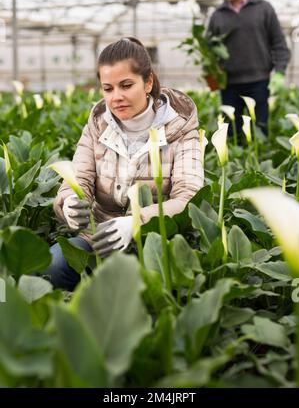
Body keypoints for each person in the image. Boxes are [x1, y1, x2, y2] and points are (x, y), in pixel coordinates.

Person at [45, 37, 204, 291]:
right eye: (108, 88)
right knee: (54, 267)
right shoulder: (97, 126)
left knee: (156, 288)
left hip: (156, 241)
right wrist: (70, 204)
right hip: (99, 236)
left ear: (148, 82)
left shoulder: (181, 129)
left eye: (126, 85)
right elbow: (79, 178)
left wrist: (137, 221)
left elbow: (189, 197)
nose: (116, 97)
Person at [208, 0, 290, 136]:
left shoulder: (264, 9)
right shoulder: (218, 14)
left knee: (260, 130)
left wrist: (280, 72)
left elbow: (279, 43)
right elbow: (209, 49)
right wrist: (211, 70)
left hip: (259, 82)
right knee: (231, 133)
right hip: (228, 85)